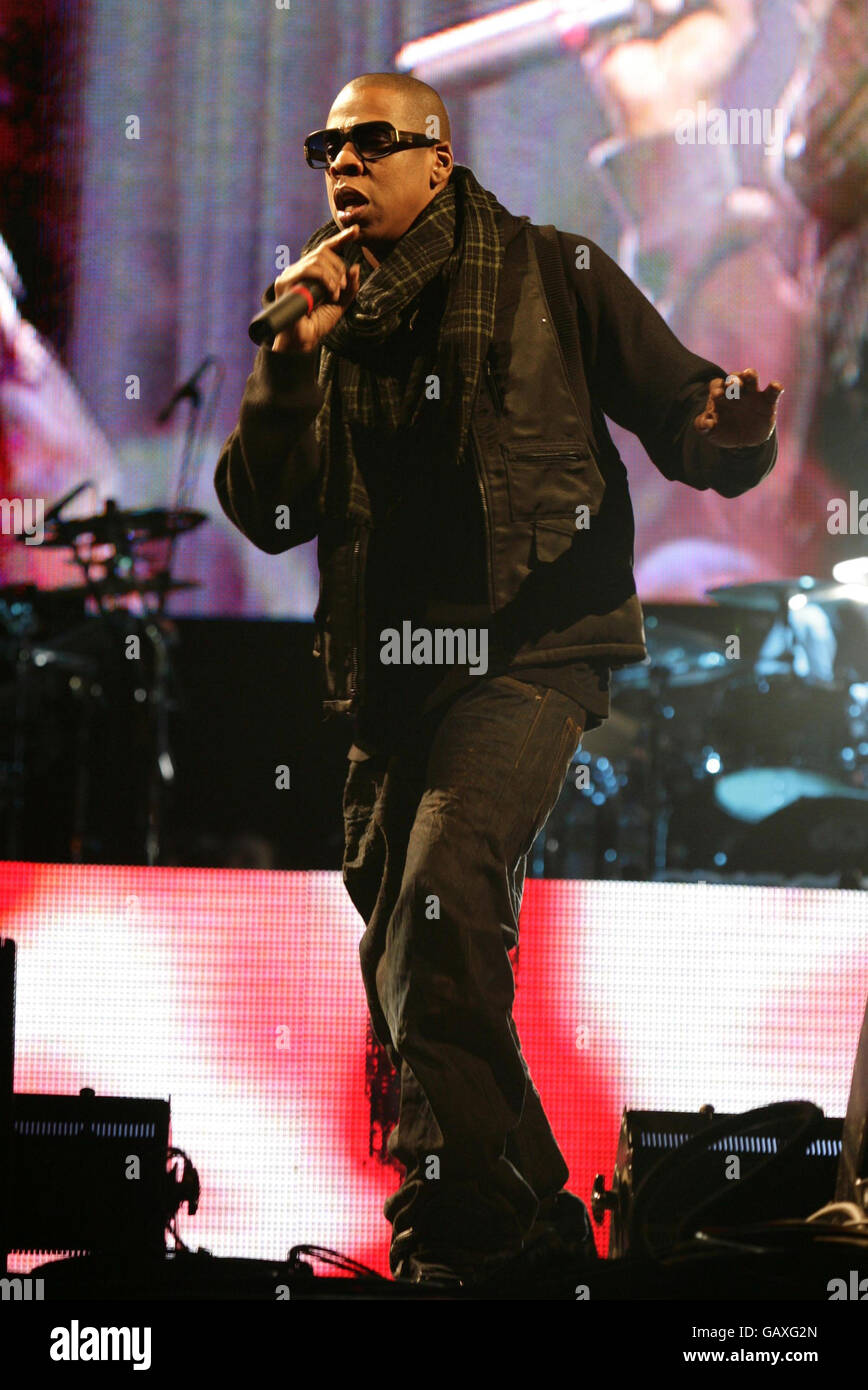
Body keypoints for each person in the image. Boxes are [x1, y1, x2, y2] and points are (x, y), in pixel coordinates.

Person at [215, 72, 783, 1287]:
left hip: (531, 650)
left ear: (437, 157)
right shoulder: (328, 321)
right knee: (410, 966)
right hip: (390, 675)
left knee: (438, 906)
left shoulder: (550, 273)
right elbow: (266, 512)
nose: (343, 166)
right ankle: (530, 1222)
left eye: (372, 143)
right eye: (329, 146)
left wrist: (735, 422)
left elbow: (684, 408)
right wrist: (280, 370)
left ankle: (461, 1230)